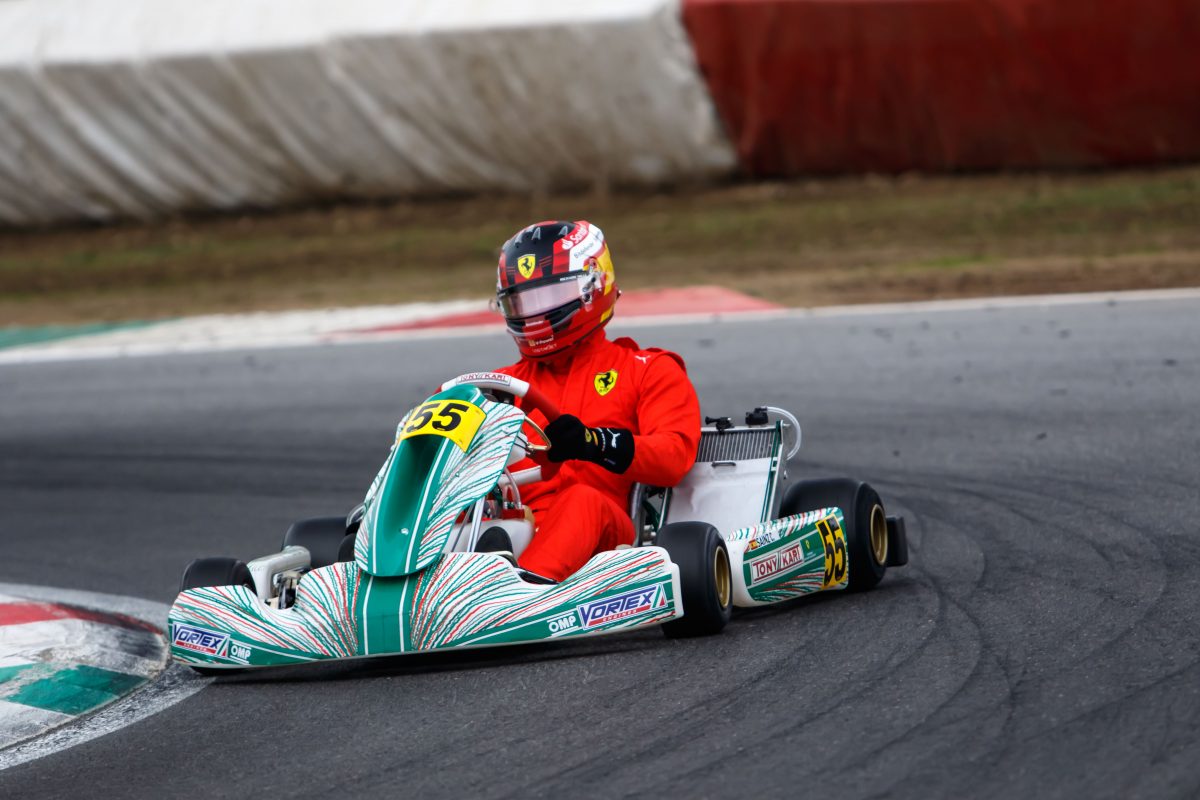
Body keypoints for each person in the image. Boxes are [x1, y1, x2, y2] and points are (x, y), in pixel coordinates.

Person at [487, 220, 701, 582]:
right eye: (523, 301)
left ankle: (517, 592)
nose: (535, 314)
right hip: (510, 523)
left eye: (548, 298)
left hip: (605, 532)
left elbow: (674, 456)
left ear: (593, 287)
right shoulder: (496, 386)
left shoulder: (647, 369)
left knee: (580, 499)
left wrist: (594, 442)